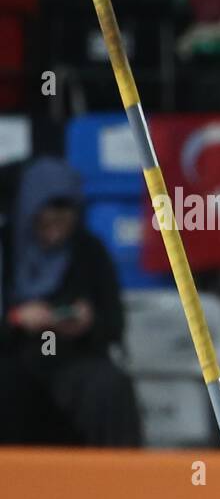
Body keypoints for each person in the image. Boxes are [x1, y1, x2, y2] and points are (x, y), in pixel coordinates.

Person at [0, 157, 141, 447]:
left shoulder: (89, 250)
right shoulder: (7, 247)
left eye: (66, 209)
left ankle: (116, 481)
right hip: (15, 354)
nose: (57, 218)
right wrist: (17, 319)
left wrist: (87, 322)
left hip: (71, 357)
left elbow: (114, 324)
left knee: (109, 386)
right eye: (49, 207)